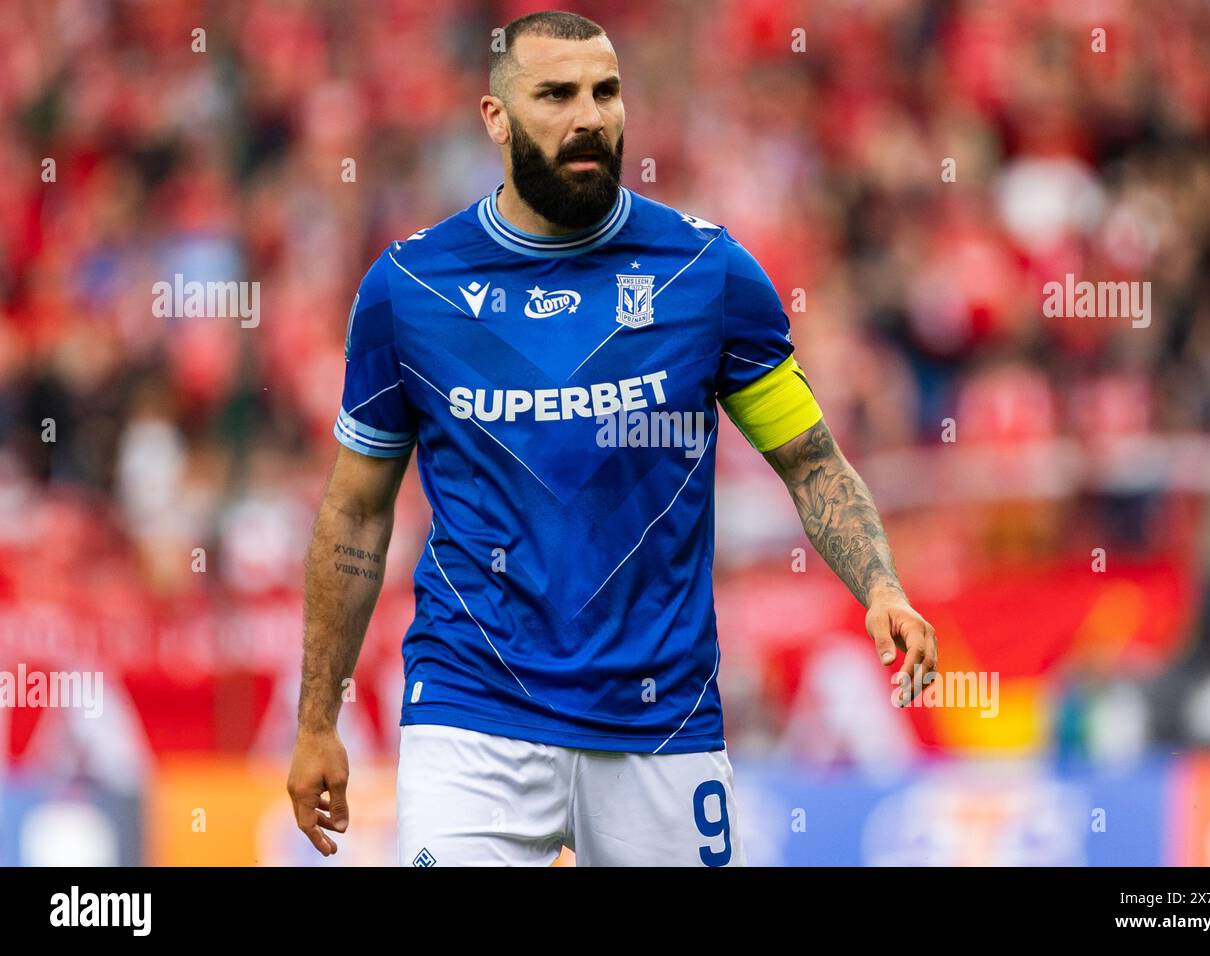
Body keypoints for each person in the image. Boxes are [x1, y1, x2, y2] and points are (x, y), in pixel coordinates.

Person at [287, 9, 937, 866]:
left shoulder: (708, 274)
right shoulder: (409, 289)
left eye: (605, 92)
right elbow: (357, 514)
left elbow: (810, 463)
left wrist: (882, 586)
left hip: (661, 720)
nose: (588, 115)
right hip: (472, 710)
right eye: (555, 94)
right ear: (497, 118)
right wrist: (316, 720)